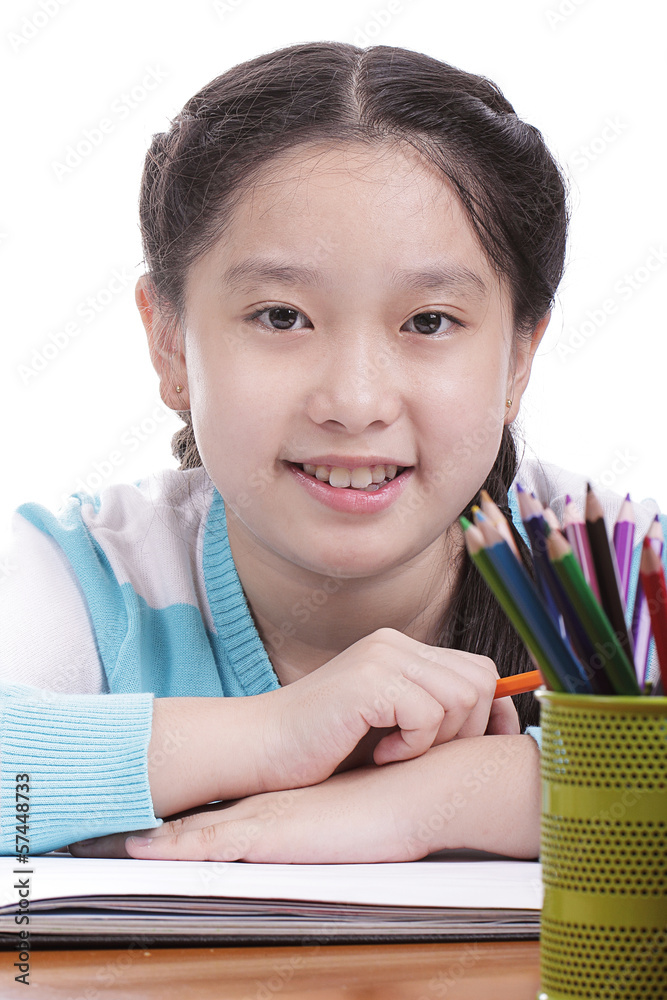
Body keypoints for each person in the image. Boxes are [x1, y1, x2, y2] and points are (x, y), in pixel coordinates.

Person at [1, 42, 663, 864]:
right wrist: (269, 734)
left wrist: (444, 802)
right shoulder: (85, 579)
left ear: (518, 359)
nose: (354, 402)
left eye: (428, 322)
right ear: (169, 341)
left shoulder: (618, 574)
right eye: (281, 317)